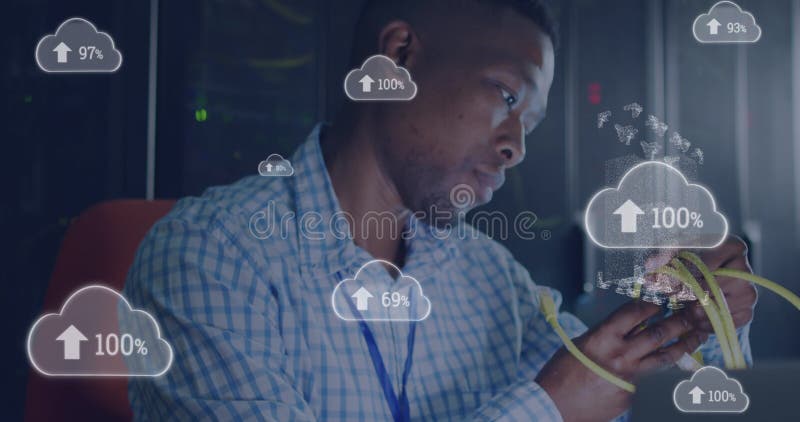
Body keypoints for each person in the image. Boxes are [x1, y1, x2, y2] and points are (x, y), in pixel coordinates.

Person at [125, 0, 757, 420]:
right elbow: (568, 397)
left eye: (530, 123)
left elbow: (621, 393)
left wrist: (705, 316)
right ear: (399, 55)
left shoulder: (491, 278)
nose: (515, 147)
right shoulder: (206, 257)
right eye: (506, 96)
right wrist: (549, 408)